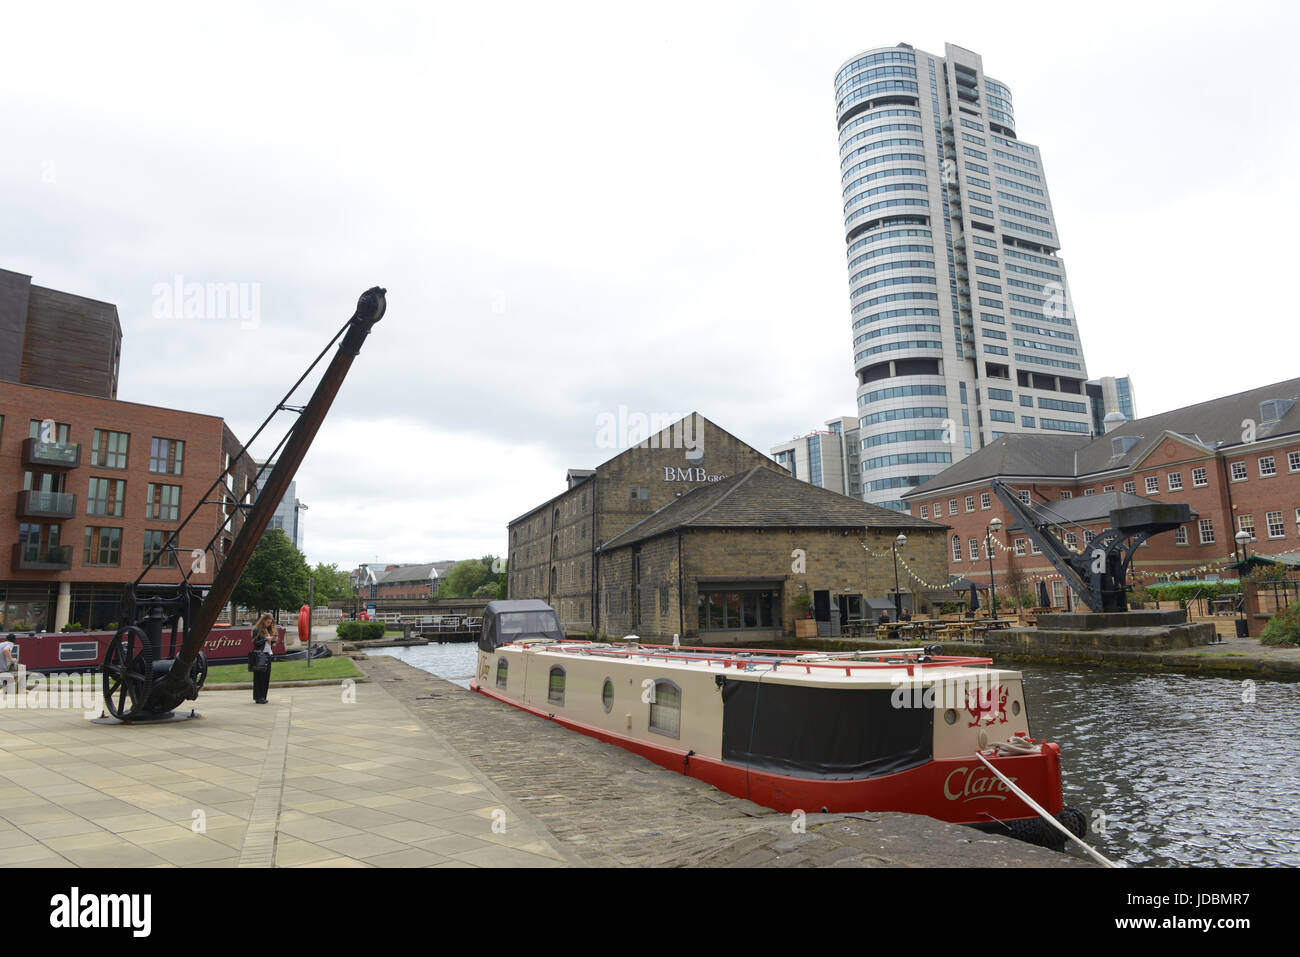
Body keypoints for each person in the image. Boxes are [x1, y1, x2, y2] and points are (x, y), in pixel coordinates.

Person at [250, 613, 275, 704]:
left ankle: (263, 696)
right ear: (264, 620)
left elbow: (269, 643)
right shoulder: (257, 630)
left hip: (268, 654)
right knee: (259, 677)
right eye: (268, 622)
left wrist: (272, 640)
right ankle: (258, 697)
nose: (269, 624)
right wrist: (265, 639)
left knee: (266, 677)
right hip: (260, 655)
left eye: (270, 622)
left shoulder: (268, 630)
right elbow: (256, 643)